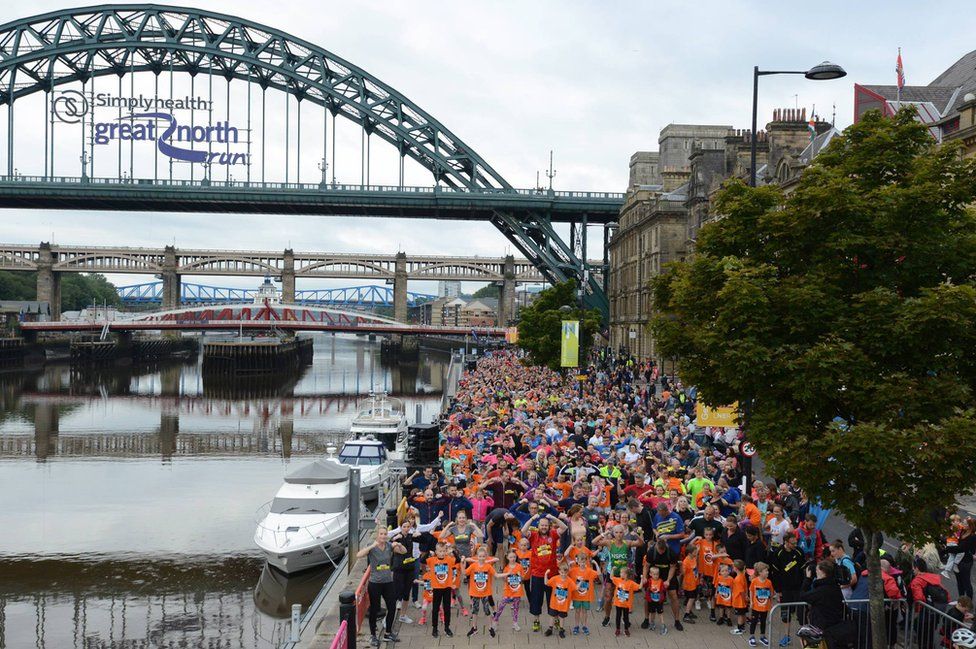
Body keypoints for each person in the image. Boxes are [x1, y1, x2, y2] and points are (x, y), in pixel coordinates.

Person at [356, 526, 407, 646]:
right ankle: (373, 635)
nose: (383, 536)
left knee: (392, 607)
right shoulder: (372, 547)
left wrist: (399, 545)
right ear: (377, 535)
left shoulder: (389, 546)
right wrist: (372, 546)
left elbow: (404, 552)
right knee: (374, 609)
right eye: (381, 534)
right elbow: (358, 555)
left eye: (385, 534)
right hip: (375, 583)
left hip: (388, 582)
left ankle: (388, 633)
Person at [522, 512, 567, 632]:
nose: (544, 527)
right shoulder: (533, 535)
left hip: (552, 574)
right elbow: (523, 530)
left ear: (549, 526)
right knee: (536, 599)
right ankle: (536, 620)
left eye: (546, 525)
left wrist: (553, 517)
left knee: (552, 598)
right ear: (538, 526)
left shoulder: (553, 534)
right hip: (537, 573)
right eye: (542, 525)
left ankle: (555, 619)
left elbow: (564, 527)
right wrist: (532, 518)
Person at [800, 560, 848, 649]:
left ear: (822, 572)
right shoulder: (835, 586)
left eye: (817, 570)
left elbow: (803, 595)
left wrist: (808, 579)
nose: (815, 572)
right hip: (835, 626)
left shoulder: (821, 590)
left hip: (823, 628)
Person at [770, 533, 807, 647]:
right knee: (786, 615)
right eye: (793, 543)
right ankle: (787, 636)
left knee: (801, 615)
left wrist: (804, 587)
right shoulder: (778, 553)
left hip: (798, 589)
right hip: (785, 589)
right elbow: (774, 573)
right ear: (786, 542)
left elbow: (804, 571)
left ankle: (805, 638)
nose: (795, 545)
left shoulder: (799, 551)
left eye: (796, 542)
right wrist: (778, 590)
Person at [462, 546, 497, 637]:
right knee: (475, 611)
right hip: (475, 593)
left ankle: (490, 628)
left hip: (485, 593)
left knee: (487, 610)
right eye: (480, 556)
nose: (481, 558)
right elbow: (464, 573)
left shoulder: (488, 566)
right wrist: (463, 564)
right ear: (477, 556)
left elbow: (496, 574)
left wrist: (508, 573)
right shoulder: (473, 565)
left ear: (486, 557)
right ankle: (474, 628)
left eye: (483, 556)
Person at [426, 541, 457, 638]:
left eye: (444, 551)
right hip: (436, 588)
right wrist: (429, 552)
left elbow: (458, 560)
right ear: (436, 552)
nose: (442, 553)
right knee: (435, 609)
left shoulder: (449, 559)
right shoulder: (432, 560)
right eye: (440, 551)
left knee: (447, 608)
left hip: (447, 587)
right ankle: (434, 628)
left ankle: (447, 627)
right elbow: (422, 560)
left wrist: (452, 551)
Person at [490, 551, 524, 636]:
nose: (513, 559)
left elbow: (522, 579)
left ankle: (515, 623)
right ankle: (495, 620)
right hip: (508, 591)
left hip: (517, 591)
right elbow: (504, 580)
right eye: (511, 557)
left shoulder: (519, 566)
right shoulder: (506, 568)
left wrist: (519, 576)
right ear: (507, 558)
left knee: (516, 608)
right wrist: (507, 575)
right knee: (501, 606)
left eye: (514, 557)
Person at [568, 552, 599, 635]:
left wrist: (596, 564)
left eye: (584, 562)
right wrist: (569, 564)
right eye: (581, 561)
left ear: (586, 562)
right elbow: (566, 573)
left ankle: (585, 626)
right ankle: (576, 626)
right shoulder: (574, 570)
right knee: (577, 611)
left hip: (586, 596)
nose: (582, 563)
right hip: (576, 596)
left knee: (585, 612)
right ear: (577, 561)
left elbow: (598, 573)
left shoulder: (589, 571)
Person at [544, 561, 575, 638]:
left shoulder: (569, 580)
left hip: (564, 604)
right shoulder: (555, 578)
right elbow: (546, 583)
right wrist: (546, 574)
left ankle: (561, 630)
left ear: (567, 572)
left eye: (565, 573)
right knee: (552, 616)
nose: (563, 574)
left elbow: (576, 588)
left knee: (562, 617)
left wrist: (581, 581)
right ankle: (550, 629)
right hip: (554, 603)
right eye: (562, 572)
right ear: (559, 571)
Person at [610, 565, 643, 637]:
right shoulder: (618, 580)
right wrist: (612, 570)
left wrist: (642, 579)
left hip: (626, 604)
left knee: (626, 617)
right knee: (618, 616)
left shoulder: (631, 583)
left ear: (626, 575)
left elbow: (640, 587)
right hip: (618, 603)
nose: (620, 574)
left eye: (621, 573)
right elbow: (611, 577)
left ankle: (626, 629)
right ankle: (618, 629)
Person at [748, 561, 775, 647]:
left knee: (763, 621)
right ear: (760, 572)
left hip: (765, 606)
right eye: (766, 571)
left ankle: (762, 636)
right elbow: (751, 591)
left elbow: (771, 593)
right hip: (756, 606)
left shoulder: (769, 582)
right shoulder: (754, 581)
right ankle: (752, 637)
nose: (768, 572)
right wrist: (751, 601)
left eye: (767, 571)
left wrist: (771, 602)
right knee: (754, 621)